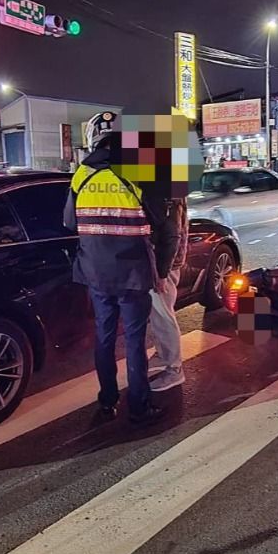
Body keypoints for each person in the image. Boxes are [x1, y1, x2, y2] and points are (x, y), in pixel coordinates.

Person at [63, 111, 170, 425]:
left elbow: (70, 222)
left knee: (104, 337)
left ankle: (107, 401)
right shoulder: (136, 172)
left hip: (96, 273)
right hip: (132, 275)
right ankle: (139, 407)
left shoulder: (81, 175)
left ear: (93, 137)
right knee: (135, 341)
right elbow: (160, 220)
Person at [148, 195, 189, 391]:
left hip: (165, 263)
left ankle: (174, 369)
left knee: (163, 314)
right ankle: (163, 354)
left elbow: (172, 234)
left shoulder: (169, 191)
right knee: (158, 313)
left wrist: (163, 272)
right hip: (162, 262)